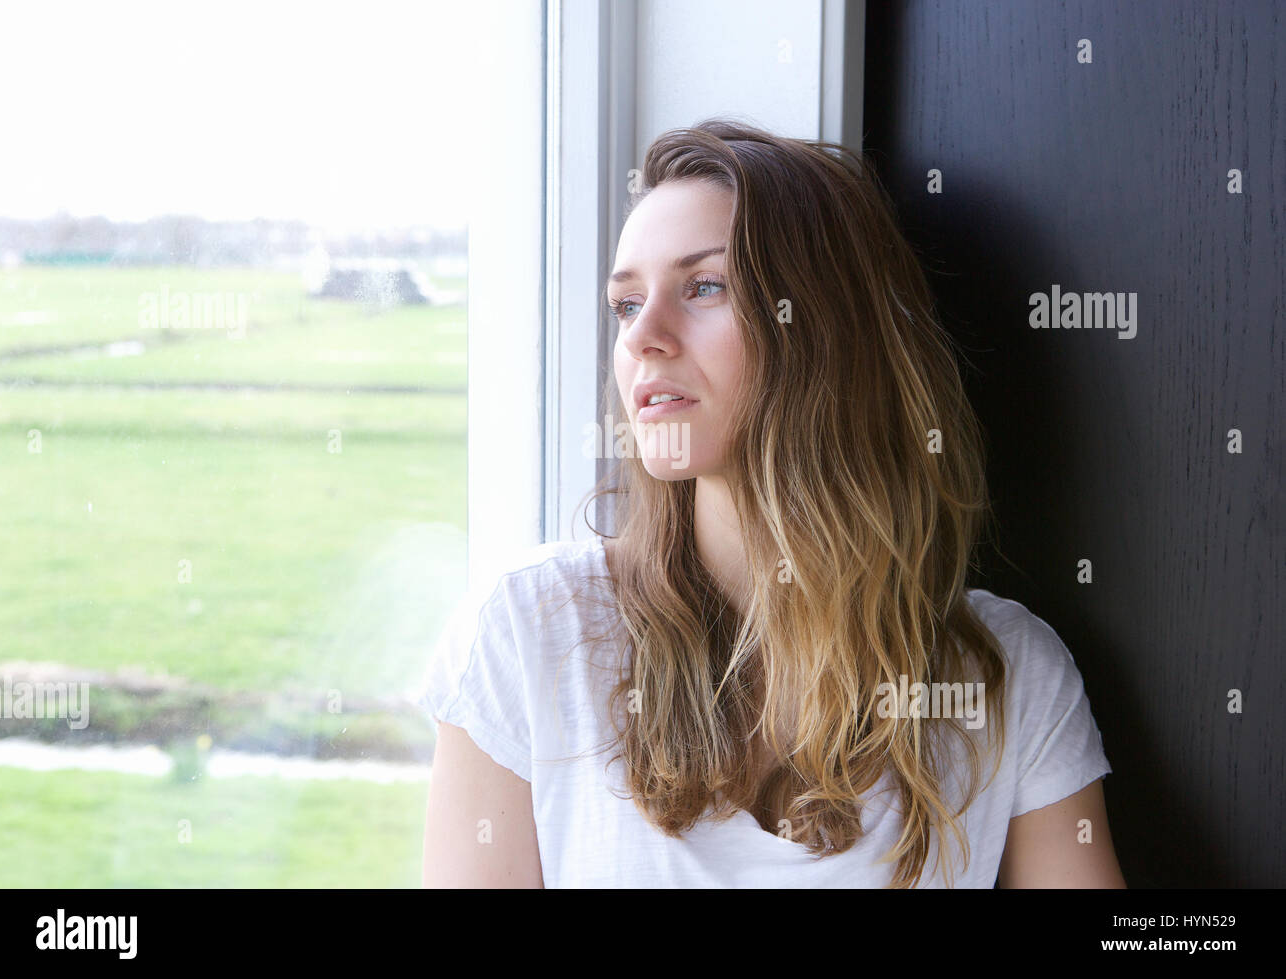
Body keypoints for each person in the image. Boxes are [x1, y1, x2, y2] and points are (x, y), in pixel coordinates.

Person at [418, 119, 1126, 888]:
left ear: (824, 327)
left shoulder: (1008, 678)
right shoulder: (530, 633)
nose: (642, 337)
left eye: (704, 287)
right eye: (626, 304)